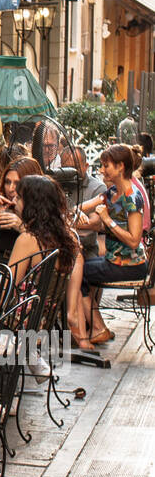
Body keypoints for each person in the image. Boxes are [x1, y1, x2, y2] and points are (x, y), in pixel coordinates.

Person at [8, 174, 90, 350]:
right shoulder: (69, 239)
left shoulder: (28, 240)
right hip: (46, 321)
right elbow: (78, 265)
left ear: (32, 204)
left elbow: (7, 289)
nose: (14, 200)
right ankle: (33, 360)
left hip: (20, 320)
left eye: (19, 197)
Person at [77, 143, 146, 344]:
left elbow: (134, 240)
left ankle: (97, 327)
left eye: (106, 166)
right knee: (76, 269)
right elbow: (87, 205)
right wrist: (75, 213)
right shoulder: (112, 192)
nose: (101, 170)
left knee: (76, 273)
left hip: (129, 266)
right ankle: (96, 327)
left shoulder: (132, 197)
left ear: (120, 167)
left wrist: (107, 220)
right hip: (113, 261)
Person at [0, 156, 43, 266]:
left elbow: (43, 263)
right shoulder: (1, 212)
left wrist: (22, 228)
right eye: (7, 182)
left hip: (18, 278)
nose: (11, 189)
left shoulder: (41, 216)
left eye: (17, 183)